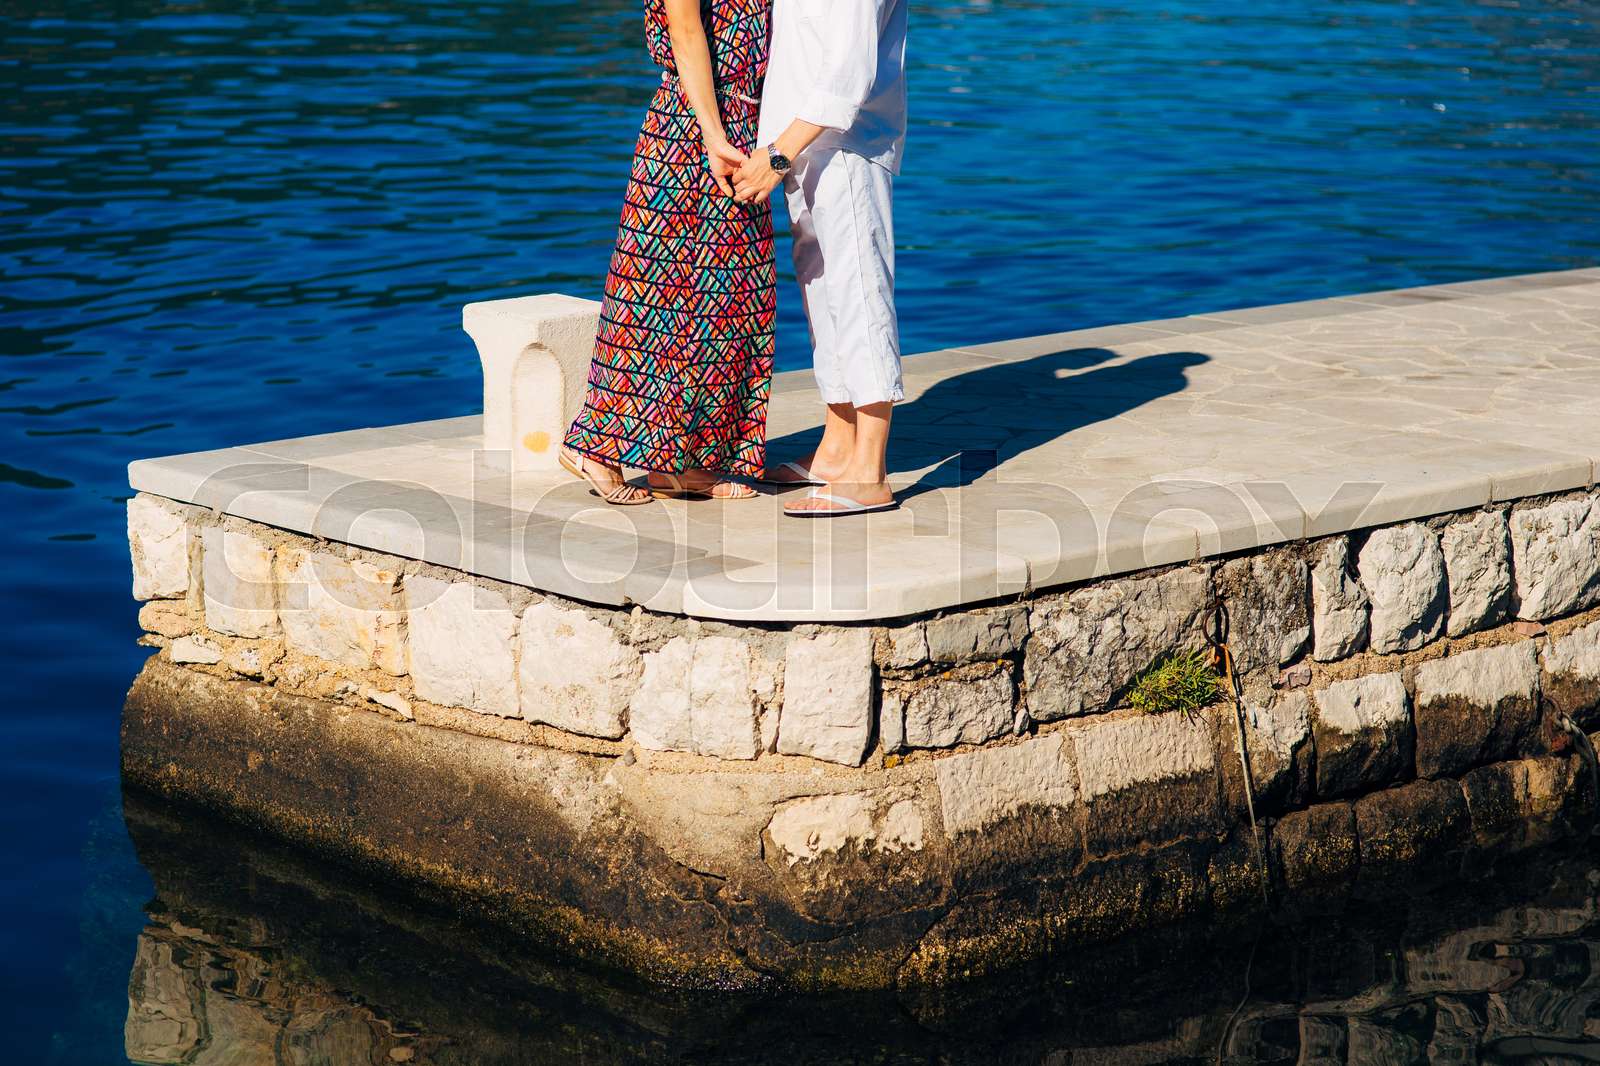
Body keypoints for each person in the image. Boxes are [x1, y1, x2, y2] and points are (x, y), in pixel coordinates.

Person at [560, 0, 777, 505]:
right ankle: (596, 447)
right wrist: (712, 132)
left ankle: (680, 462)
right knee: (656, 299)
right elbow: (684, 29)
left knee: (729, 300)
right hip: (690, 128)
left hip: (739, 125)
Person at [732, 0, 908, 517]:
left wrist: (778, 153)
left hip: (846, 145)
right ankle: (836, 448)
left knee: (859, 295)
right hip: (805, 145)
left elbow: (849, 70)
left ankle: (869, 471)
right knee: (822, 292)